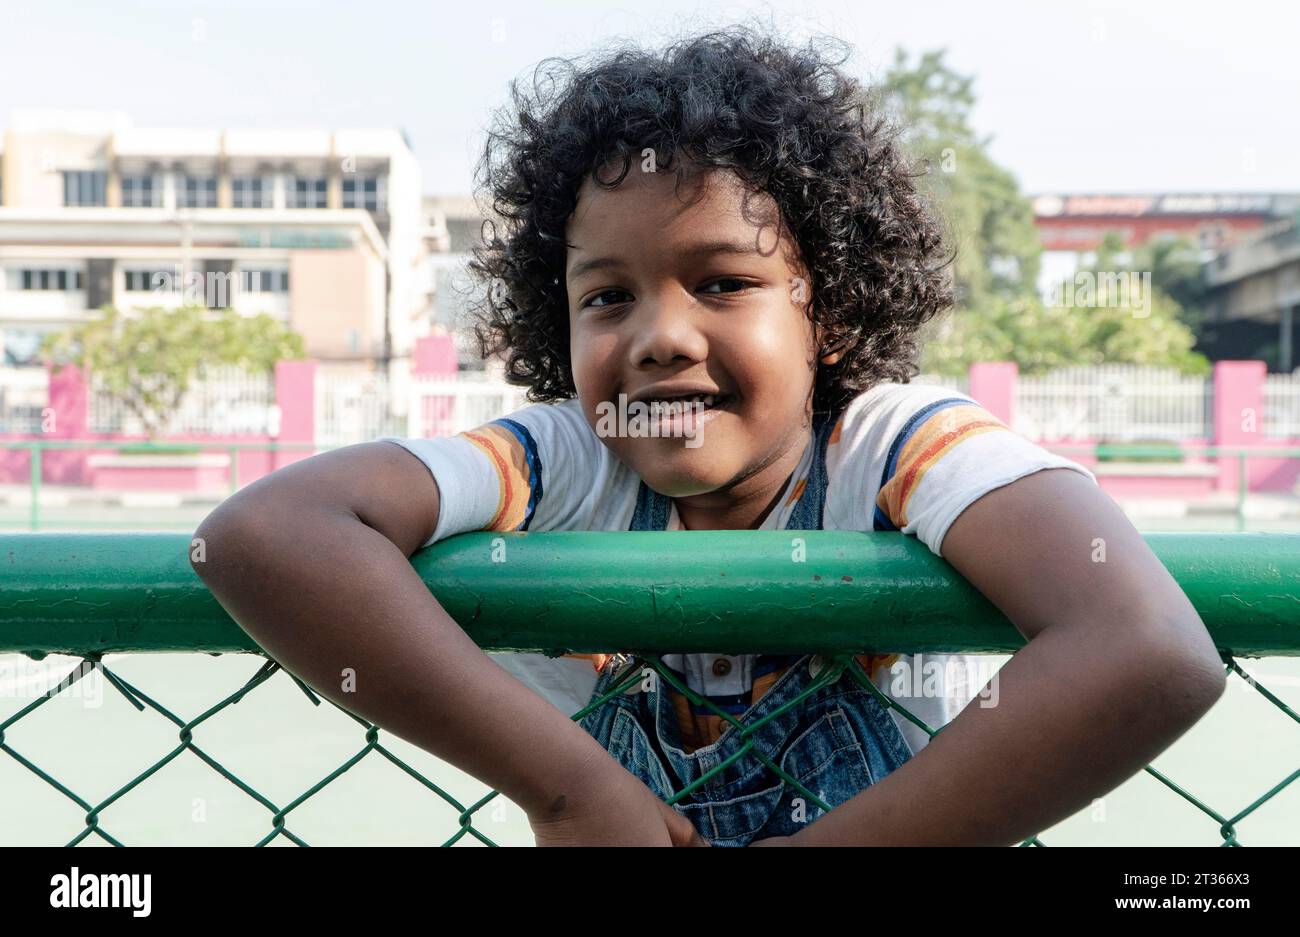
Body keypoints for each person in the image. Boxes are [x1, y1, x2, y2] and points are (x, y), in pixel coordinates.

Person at [192, 26, 1226, 847]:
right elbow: (268, 532)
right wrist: (568, 791)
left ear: (827, 308)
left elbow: (1146, 648)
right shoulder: (564, 462)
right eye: (606, 297)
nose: (658, 337)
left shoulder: (890, 447)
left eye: (724, 283)